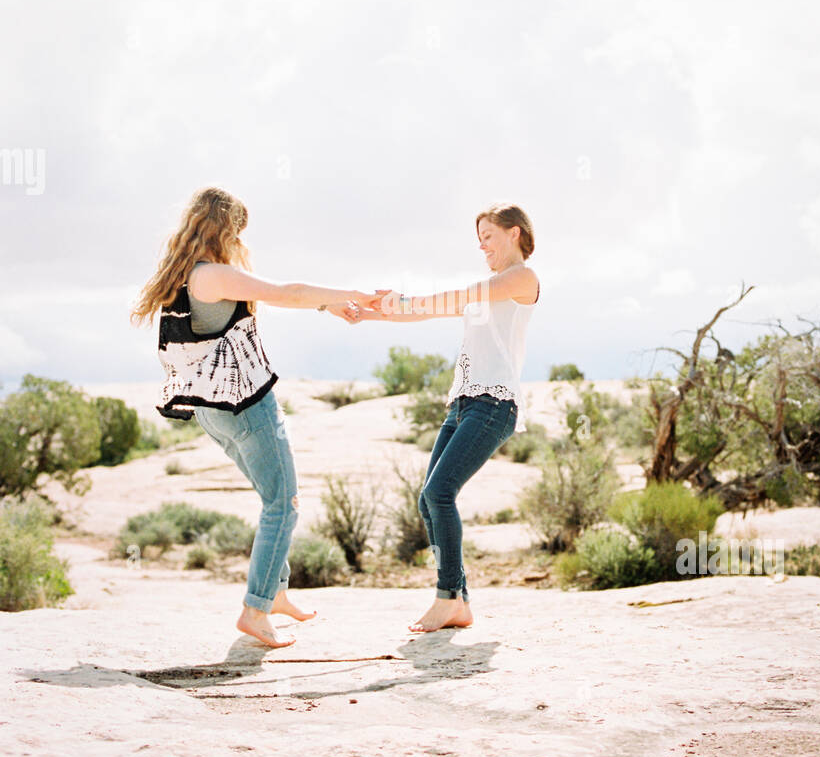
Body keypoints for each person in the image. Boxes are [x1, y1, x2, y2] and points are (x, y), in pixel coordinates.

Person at [130, 186, 382, 648]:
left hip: (211, 410)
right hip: (247, 405)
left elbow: (275, 297)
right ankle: (256, 608)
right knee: (282, 504)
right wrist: (354, 295)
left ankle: (277, 592)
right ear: (224, 227)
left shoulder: (185, 273)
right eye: (236, 230)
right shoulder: (213, 274)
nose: (239, 239)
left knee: (273, 497)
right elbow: (289, 292)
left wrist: (329, 306)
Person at [358, 202, 539, 633]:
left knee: (440, 493)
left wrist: (399, 300)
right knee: (428, 499)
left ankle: (447, 597)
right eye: (479, 240)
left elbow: (454, 298)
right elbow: (433, 309)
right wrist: (377, 311)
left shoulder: (522, 278)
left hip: (494, 404)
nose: (483, 246)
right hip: (462, 403)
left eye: (489, 237)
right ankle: (459, 601)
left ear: (514, 233)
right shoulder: (489, 286)